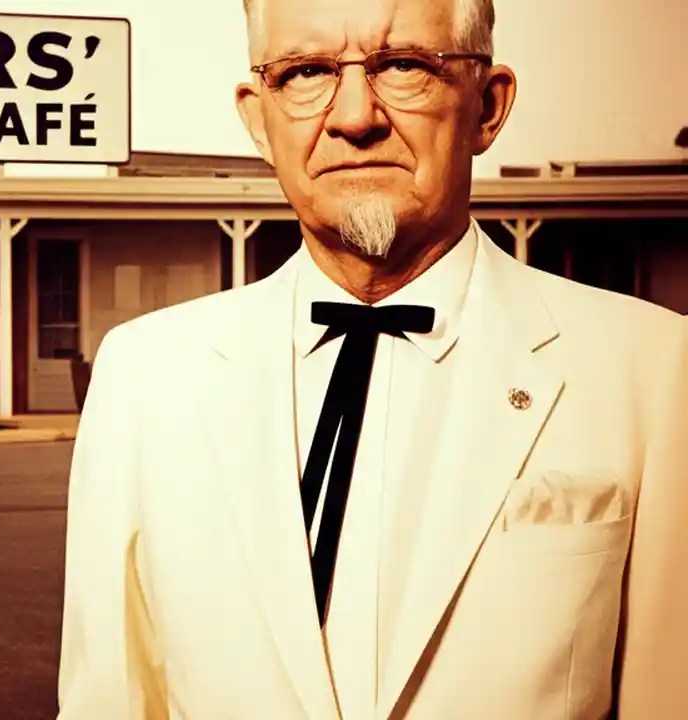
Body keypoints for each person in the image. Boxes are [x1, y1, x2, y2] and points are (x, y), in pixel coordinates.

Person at [54, 0, 688, 717]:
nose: (355, 116)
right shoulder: (146, 376)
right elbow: (106, 700)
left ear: (487, 106)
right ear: (260, 119)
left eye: (405, 66)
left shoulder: (653, 371)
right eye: (306, 72)